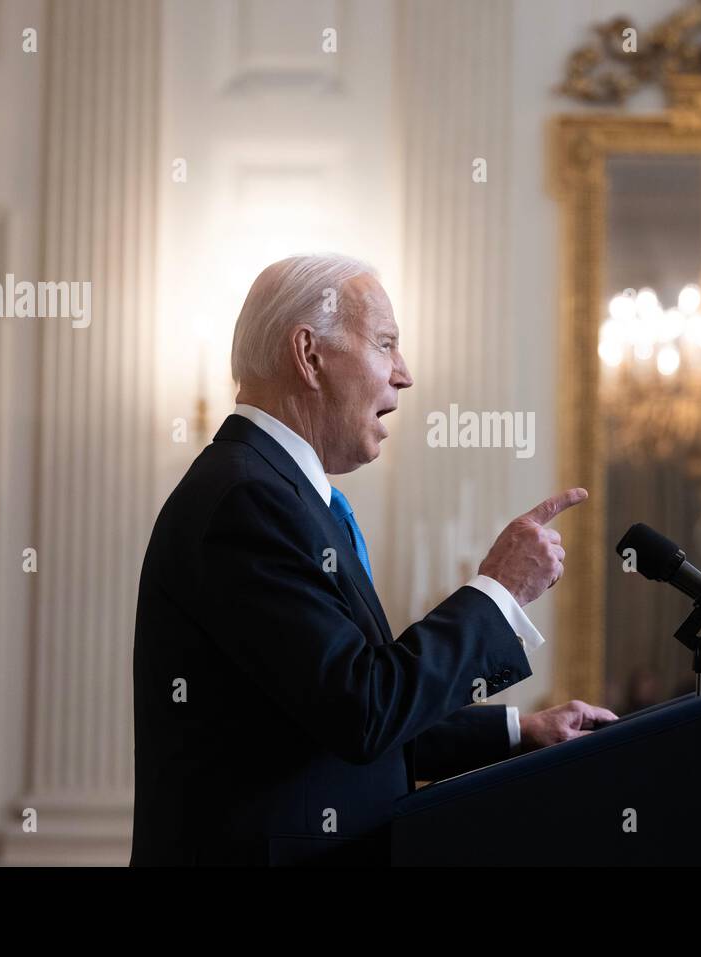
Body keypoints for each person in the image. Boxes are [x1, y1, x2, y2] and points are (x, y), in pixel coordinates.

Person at [130, 253, 616, 865]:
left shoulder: (281, 492)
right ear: (309, 356)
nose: (404, 374)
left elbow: (338, 707)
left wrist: (523, 732)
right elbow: (361, 708)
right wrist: (498, 590)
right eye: (385, 344)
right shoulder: (248, 500)